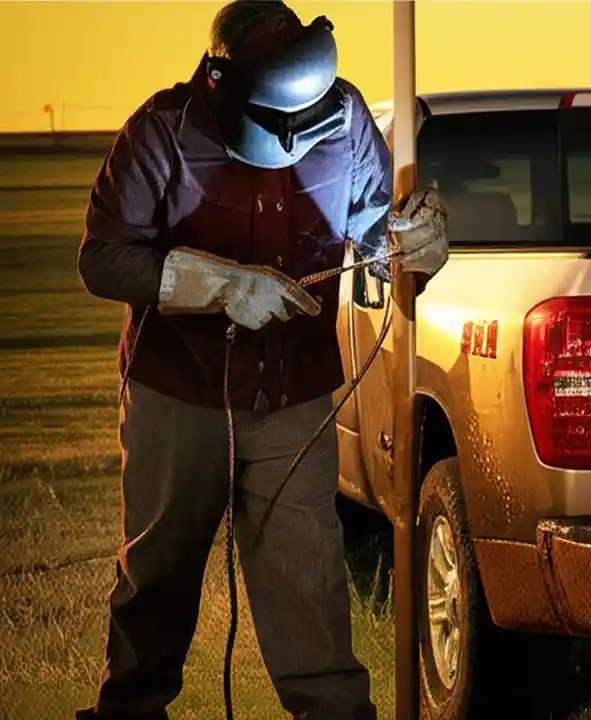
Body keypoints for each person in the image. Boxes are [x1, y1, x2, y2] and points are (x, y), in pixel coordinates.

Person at [73, 2, 447, 718]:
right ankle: (130, 709)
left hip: (295, 396)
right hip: (178, 394)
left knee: (307, 574)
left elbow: (381, 238)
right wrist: (215, 284)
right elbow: (101, 258)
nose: (298, 133)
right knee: (159, 568)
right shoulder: (162, 131)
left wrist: (418, 247)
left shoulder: (347, 122)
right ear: (223, 83)